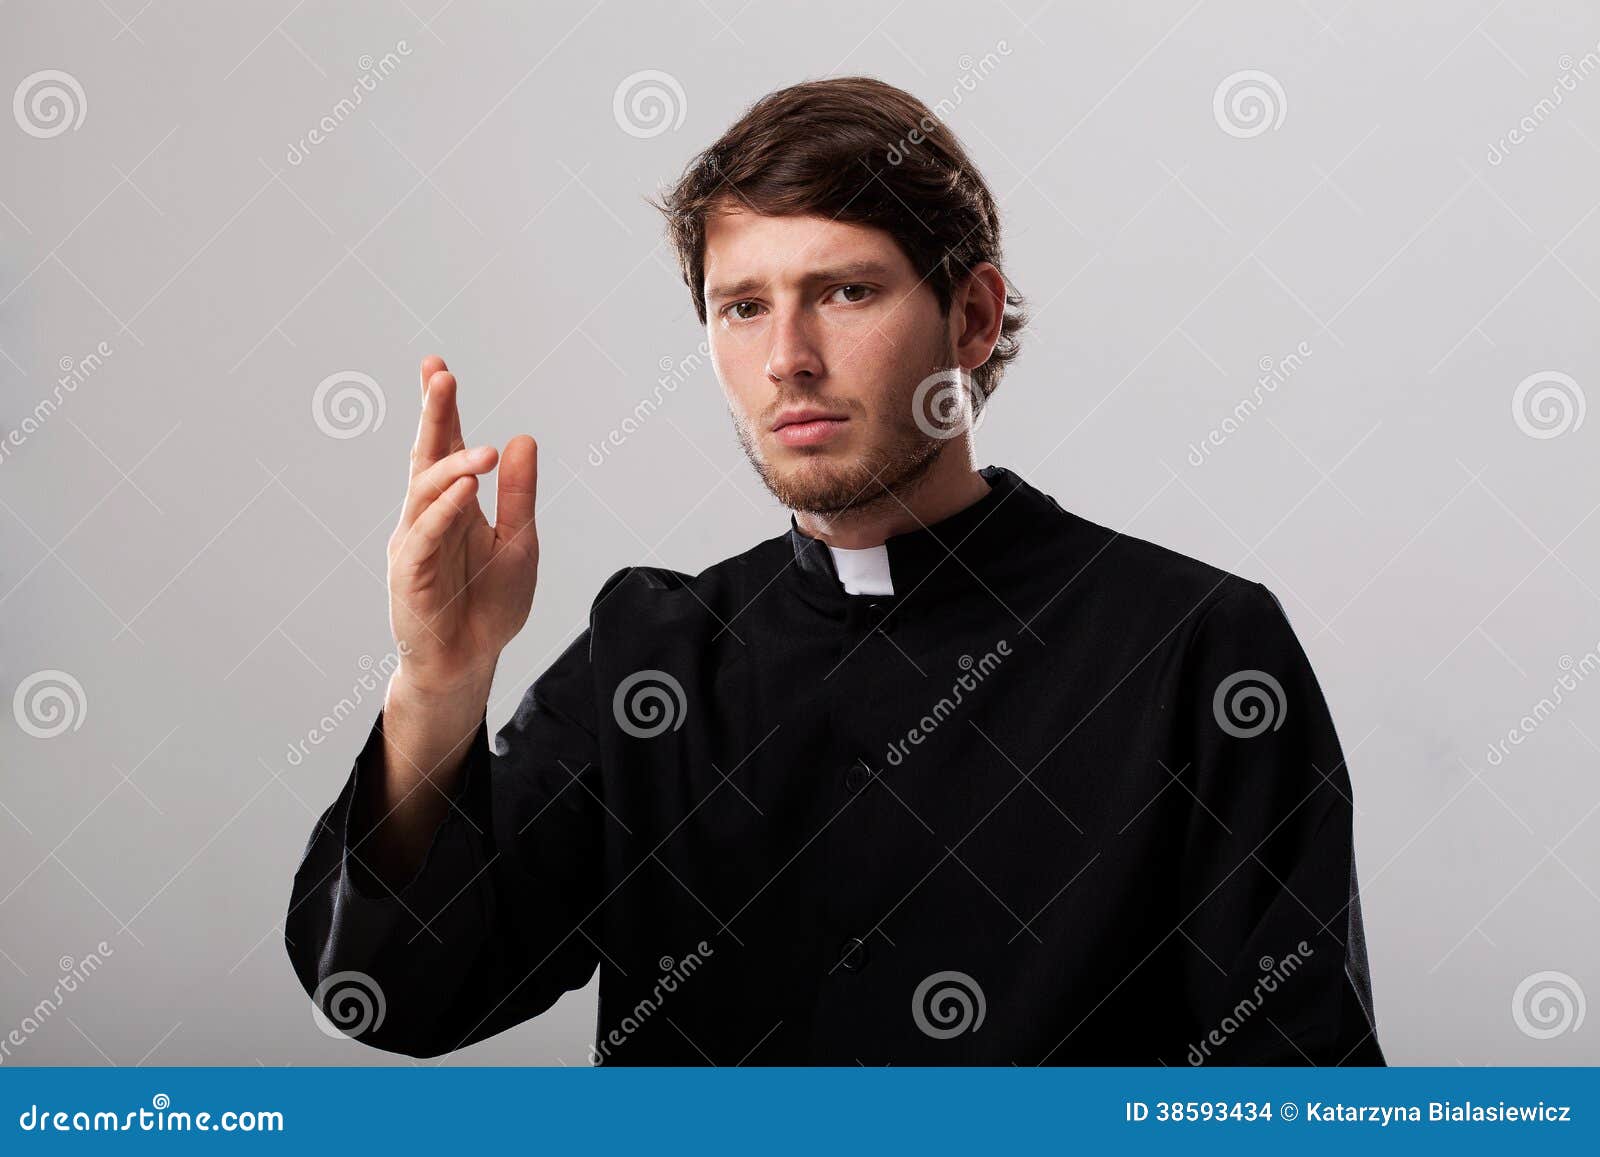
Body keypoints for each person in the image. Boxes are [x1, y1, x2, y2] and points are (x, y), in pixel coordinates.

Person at [284, 76, 1383, 1065]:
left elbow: (1298, 1090)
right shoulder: (651, 652)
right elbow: (392, 998)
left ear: (972, 315)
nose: (786, 359)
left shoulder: (1190, 644)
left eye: (846, 292)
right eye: (743, 305)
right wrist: (439, 683)